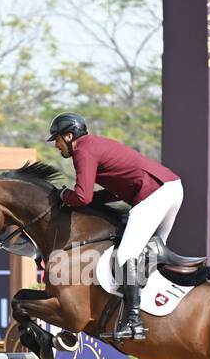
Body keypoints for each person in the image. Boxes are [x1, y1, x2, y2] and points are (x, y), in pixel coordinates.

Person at [47, 112, 182, 342]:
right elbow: (113, 191)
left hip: (155, 193)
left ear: (69, 136)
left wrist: (62, 195)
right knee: (147, 258)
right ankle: (156, 312)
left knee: (126, 255)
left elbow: (81, 197)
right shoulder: (95, 145)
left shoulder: (82, 150)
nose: (57, 146)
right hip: (171, 188)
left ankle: (133, 322)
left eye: (57, 139)